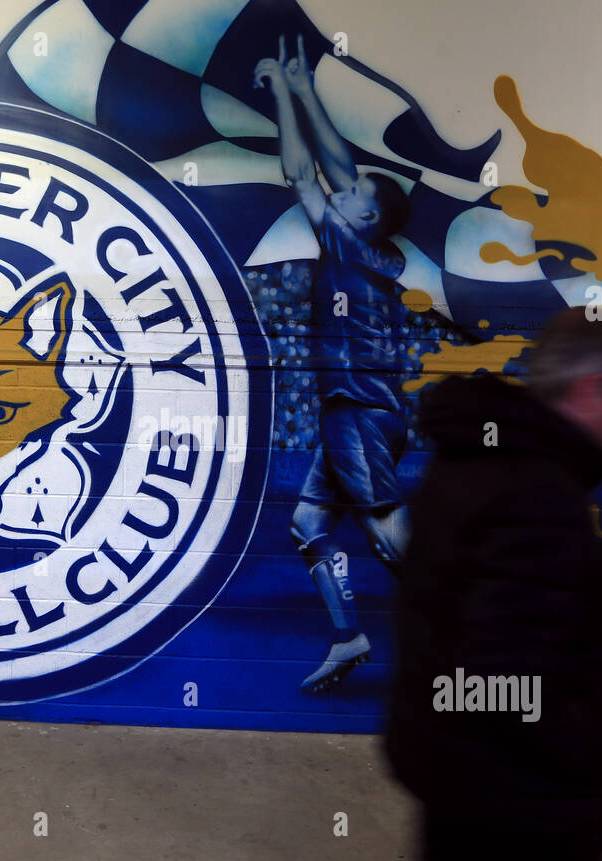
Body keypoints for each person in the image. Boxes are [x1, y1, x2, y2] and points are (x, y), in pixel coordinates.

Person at [383, 306, 602, 861]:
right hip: (519, 814)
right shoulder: (537, 494)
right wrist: (581, 749)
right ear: (590, 388)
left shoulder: (475, 460)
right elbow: (497, 675)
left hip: (459, 786)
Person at [254, 35, 415, 693]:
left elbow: (312, 171)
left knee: (387, 535)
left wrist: (294, 94)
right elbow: (321, 173)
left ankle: (481, 631)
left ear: (367, 214)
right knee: (309, 525)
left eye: (350, 193)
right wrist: (297, 90)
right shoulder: (361, 249)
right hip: (352, 412)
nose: (335, 191)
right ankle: (348, 633)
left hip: (361, 414)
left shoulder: (356, 245)